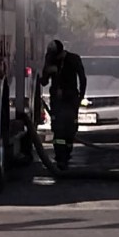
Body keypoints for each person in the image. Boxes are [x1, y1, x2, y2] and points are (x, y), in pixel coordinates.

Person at [39, 39, 86, 170]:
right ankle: (60, 157)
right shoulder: (50, 59)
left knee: (70, 129)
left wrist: (80, 97)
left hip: (71, 100)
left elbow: (82, 78)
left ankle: (67, 152)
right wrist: (48, 71)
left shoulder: (73, 59)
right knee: (58, 130)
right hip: (57, 102)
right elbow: (43, 81)